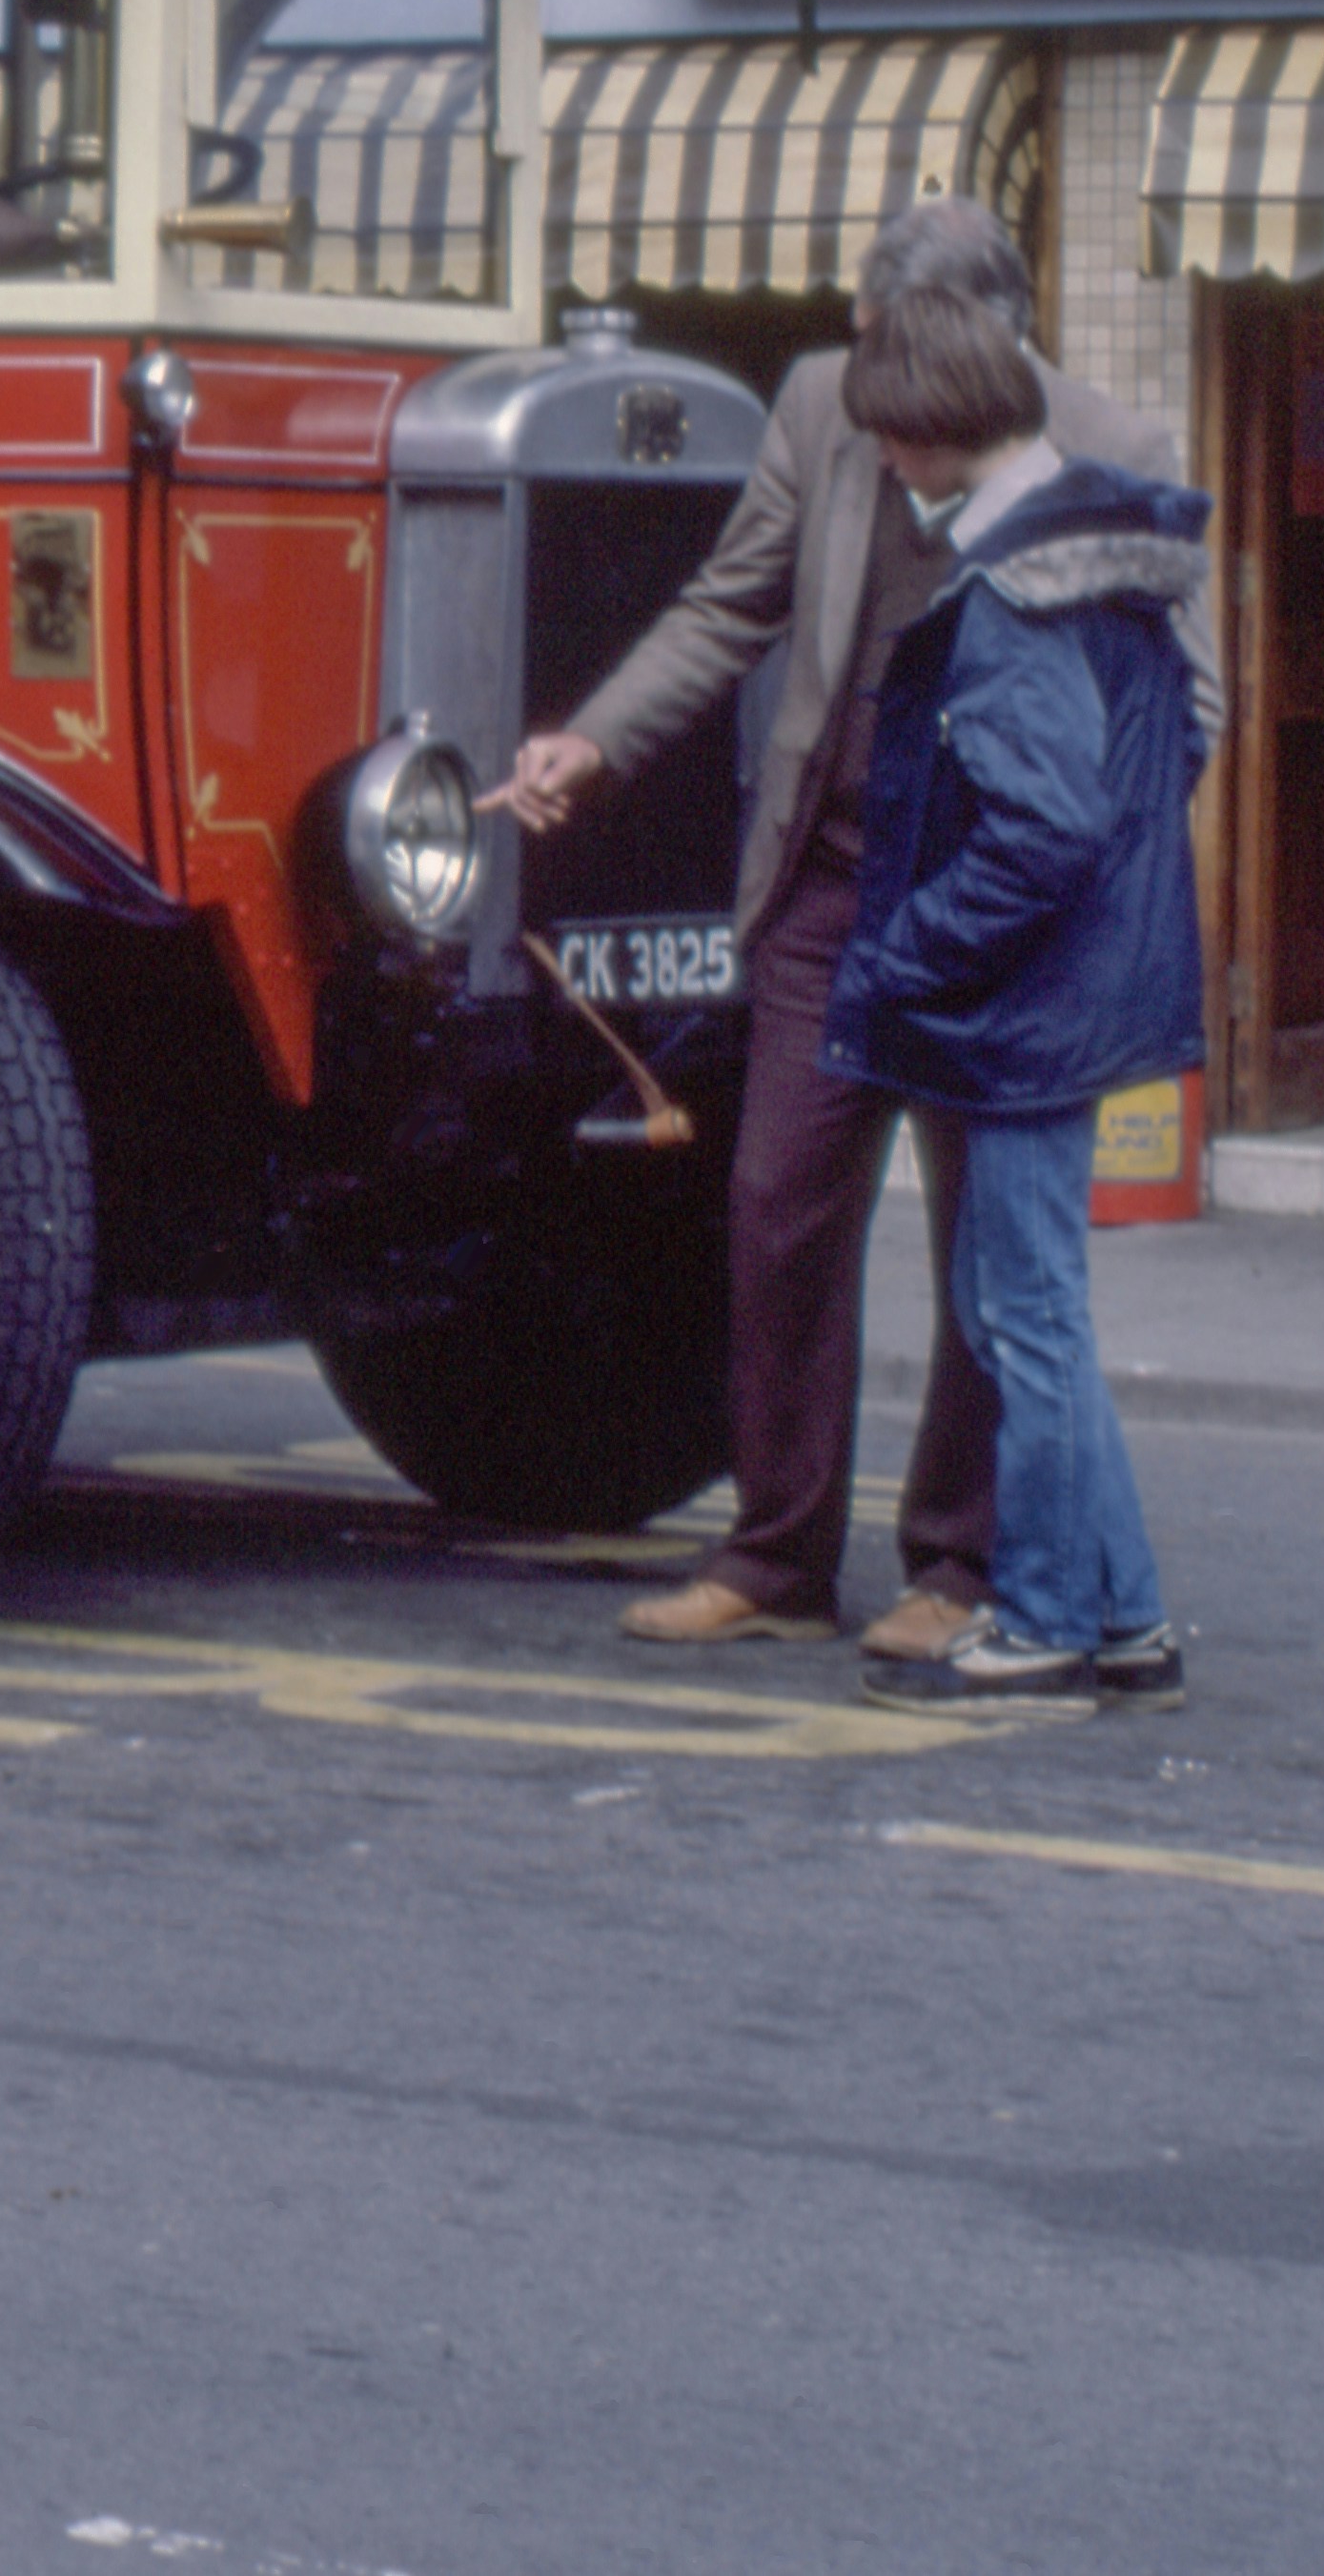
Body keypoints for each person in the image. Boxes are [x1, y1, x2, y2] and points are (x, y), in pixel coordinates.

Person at [486, 198, 1210, 1658]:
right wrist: (596, 740)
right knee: (774, 1205)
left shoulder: (1114, 450)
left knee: (985, 1255)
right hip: (832, 881)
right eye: (860, 342)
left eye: (896, 356)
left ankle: (958, 1565)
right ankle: (775, 1556)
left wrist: (1072, 877)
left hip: (995, 907)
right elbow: (728, 601)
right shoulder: (821, 398)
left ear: (984, 341)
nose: (867, 387)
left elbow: (1180, 711)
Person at [820, 288, 1205, 1712]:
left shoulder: (1007, 596)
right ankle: (1126, 1616)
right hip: (1091, 985)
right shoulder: (1104, 555)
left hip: (1027, 1010)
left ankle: (1045, 1614)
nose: (877, 466)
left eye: (884, 442)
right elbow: (1168, 759)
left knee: (1020, 1315)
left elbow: (1039, 829)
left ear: (927, 434)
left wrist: (904, 949)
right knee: (1026, 1309)